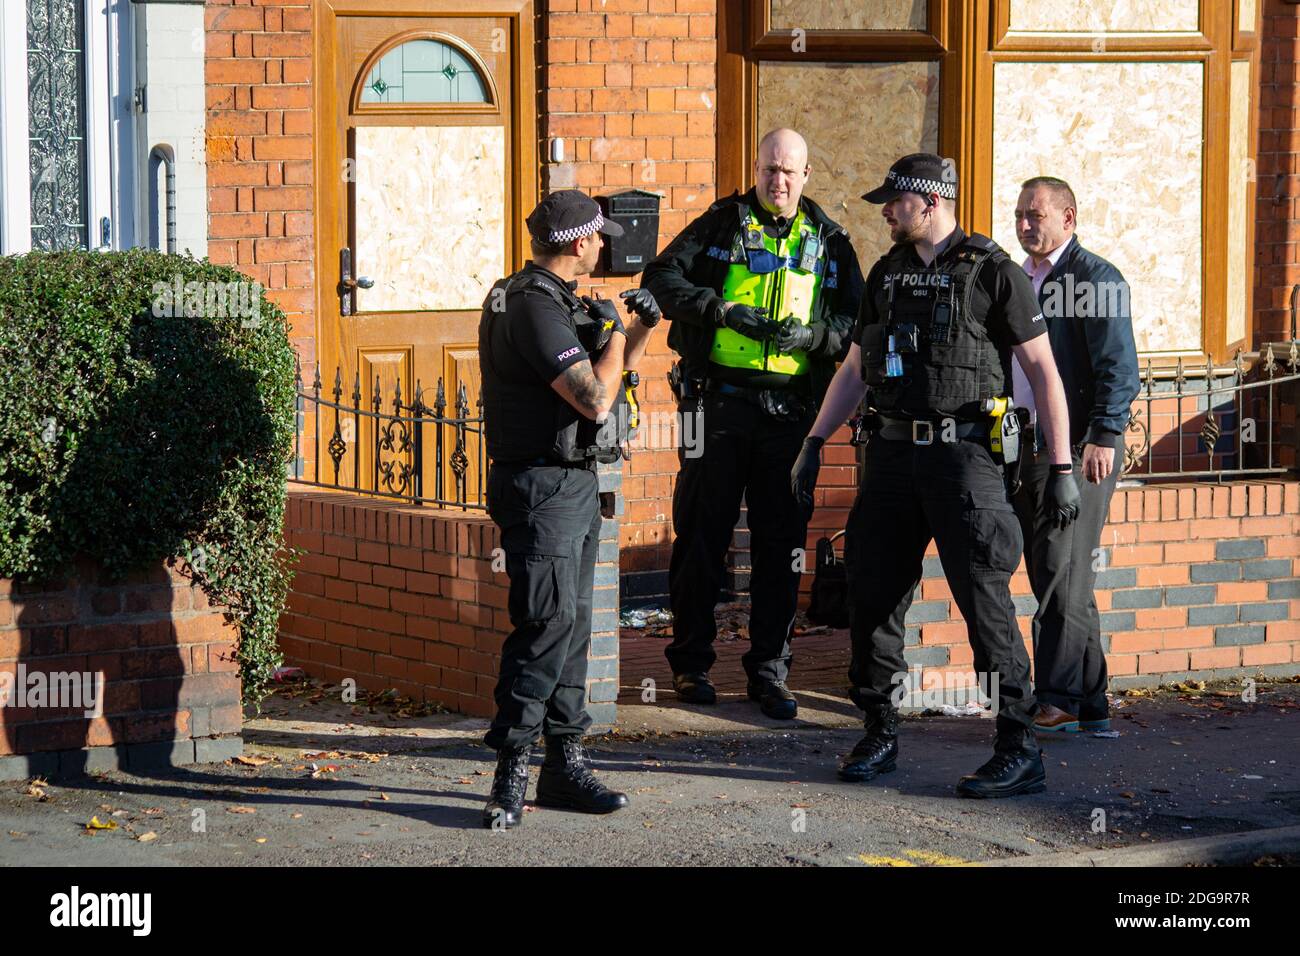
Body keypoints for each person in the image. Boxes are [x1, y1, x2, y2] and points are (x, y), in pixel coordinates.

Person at [791, 153, 1081, 798]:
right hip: (892, 457)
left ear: (930, 201)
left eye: (894, 201)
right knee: (873, 598)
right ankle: (878, 728)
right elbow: (854, 370)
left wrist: (1060, 466)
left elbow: (1044, 373)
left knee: (985, 605)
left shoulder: (995, 273)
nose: (887, 212)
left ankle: (1017, 746)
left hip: (966, 461)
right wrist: (814, 441)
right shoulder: (887, 274)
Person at [641, 128, 864, 719]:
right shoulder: (721, 222)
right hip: (717, 407)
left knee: (781, 547)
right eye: (769, 169)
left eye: (789, 172)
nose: (778, 181)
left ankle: (770, 671)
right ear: (757, 169)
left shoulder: (831, 240)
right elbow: (659, 278)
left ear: (807, 175)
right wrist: (720, 311)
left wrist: (816, 337)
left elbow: (858, 322)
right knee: (701, 539)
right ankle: (691, 666)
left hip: (791, 414)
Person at [477, 190, 661, 828]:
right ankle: (512, 769)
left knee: (575, 626)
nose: (605, 245)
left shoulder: (556, 302)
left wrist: (634, 332)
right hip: (541, 486)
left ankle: (564, 764)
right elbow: (592, 399)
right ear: (579, 242)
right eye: (599, 236)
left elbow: (613, 377)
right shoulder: (529, 306)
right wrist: (612, 338)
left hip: (575, 482)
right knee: (546, 623)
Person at [1010, 176, 1139, 734]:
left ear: (1069, 218)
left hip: (1078, 449)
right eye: (1019, 214)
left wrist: (1103, 437)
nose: (1024, 224)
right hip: (1022, 444)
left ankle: (1058, 697)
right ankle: (1092, 701)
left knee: (1062, 571)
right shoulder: (1019, 279)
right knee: (1059, 576)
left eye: (1035, 215)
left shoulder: (1095, 279)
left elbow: (1119, 368)